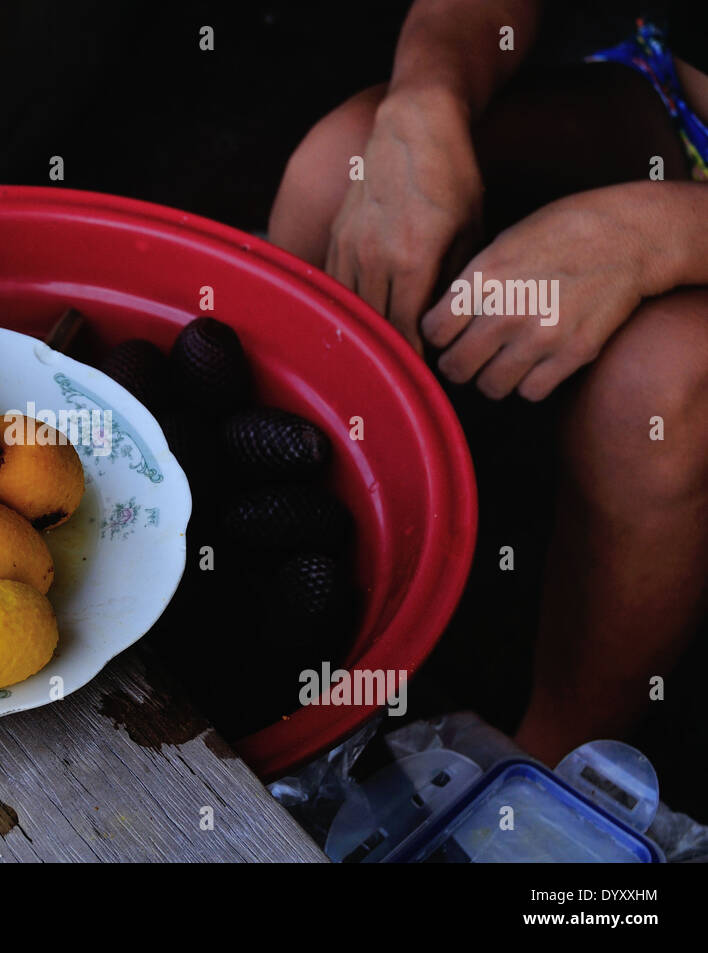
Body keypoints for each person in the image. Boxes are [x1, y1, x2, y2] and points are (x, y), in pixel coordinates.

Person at [269, 0, 708, 765]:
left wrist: (652, 236)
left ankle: (549, 764)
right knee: (339, 169)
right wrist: (423, 103)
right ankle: (293, 599)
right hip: (679, 116)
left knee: (657, 385)